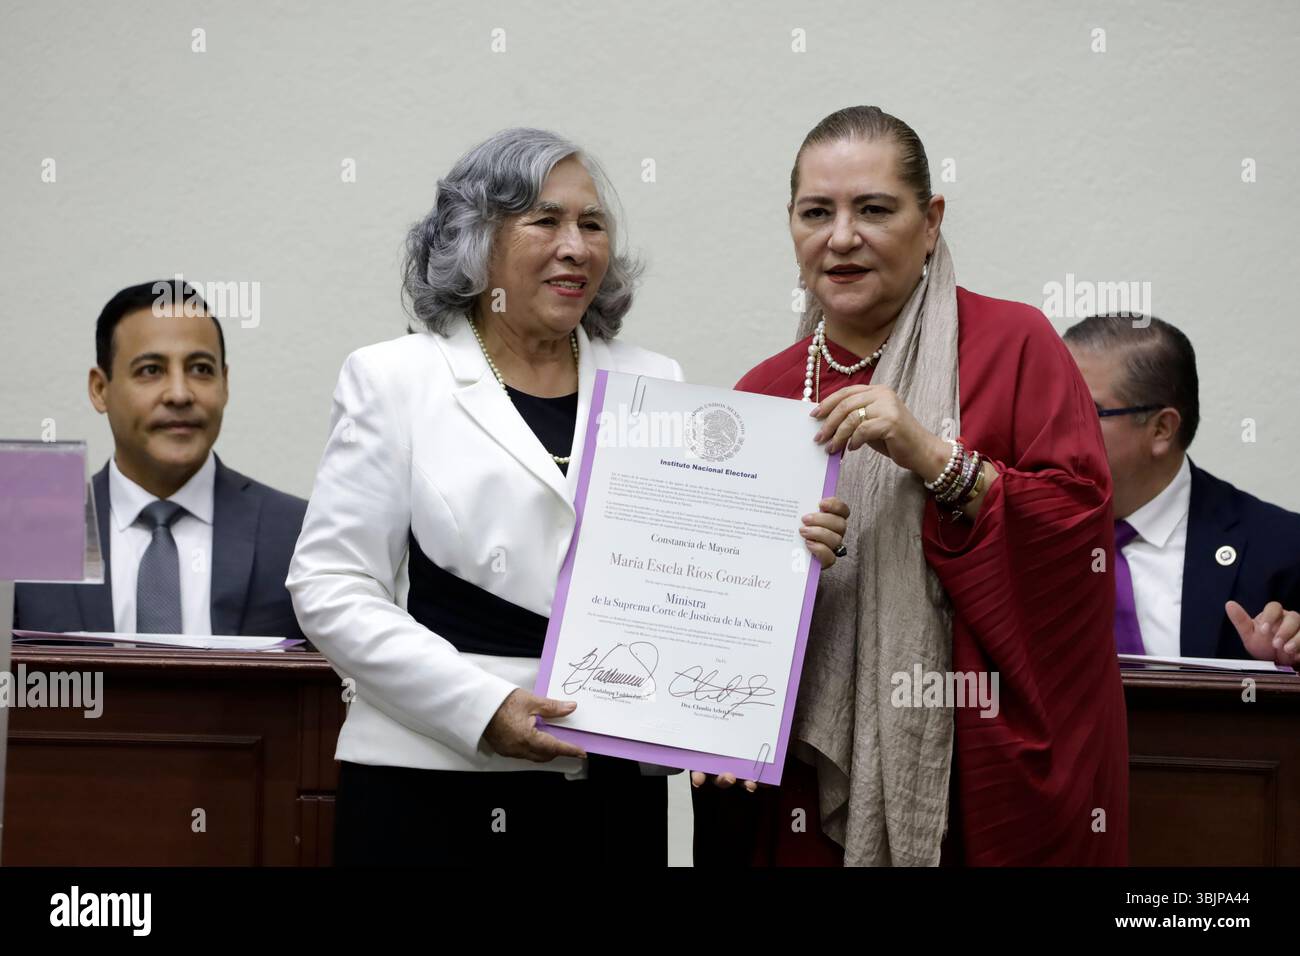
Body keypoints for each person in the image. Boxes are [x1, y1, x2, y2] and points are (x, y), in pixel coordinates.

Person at [286, 126, 853, 866]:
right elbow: (329, 586)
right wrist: (482, 709)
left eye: (592, 224)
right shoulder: (396, 380)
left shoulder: (656, 381)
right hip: (434, 780)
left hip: (613, 792)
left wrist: (790, 544)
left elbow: (694, 569)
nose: (576, 246)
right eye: (544, 220)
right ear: (475, 240)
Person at [692, 106, 1128, 866]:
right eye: (816, 212)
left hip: (969, 761)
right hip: (804, 769)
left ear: (930, 221)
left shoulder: (1014, 343)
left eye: (874, 209)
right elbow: (715, 594)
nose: (841, 237)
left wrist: (933, 456)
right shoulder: (763, 392)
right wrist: (784, 562)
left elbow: (1078, 540)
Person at [15, 280, 307, 641]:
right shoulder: (29, 524)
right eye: (151, 370)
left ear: (225, 384)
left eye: (200, 369)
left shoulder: (297, 532)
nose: (180, 394)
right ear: (100, 389)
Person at [1064, 314, 1300, 665]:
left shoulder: (1281, 549)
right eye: (1052, 402)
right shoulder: (1020, 532)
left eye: (1085, 408)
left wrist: (1286, 667)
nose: (1055, 423)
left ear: (1161, 429)